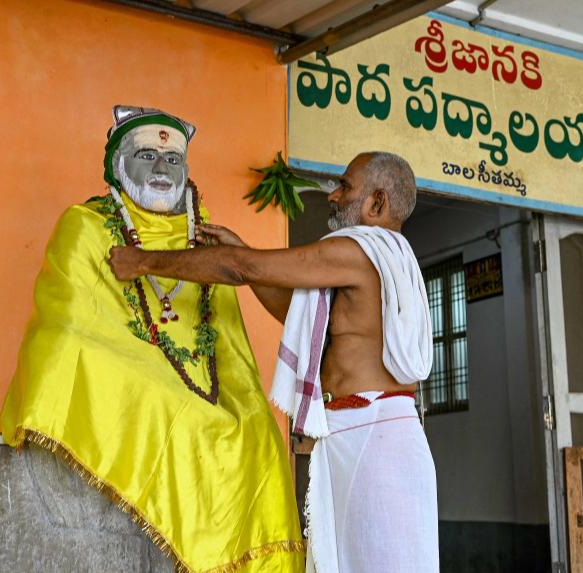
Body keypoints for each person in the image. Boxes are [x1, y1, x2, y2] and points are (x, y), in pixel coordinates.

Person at [0, 105, 305, 572]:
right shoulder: (85, 224)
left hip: (198, 380)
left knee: (258, 424)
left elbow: (228, 344)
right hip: (126, 369)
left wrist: (234, 399)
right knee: (59, 350)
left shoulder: (202, 235)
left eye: (173, 159)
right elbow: (67, 319)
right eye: (148, 156)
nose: (163, 169)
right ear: (119, 166)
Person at [109, 151, 440, 572]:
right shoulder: (391, 258)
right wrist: (245, 255)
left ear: (377, 203)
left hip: (373, 440)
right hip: (367, 431)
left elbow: (239, 269)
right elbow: (300, 321)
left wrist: (142, 262)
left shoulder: (357, 251)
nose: (333, 196)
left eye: (345, 186)